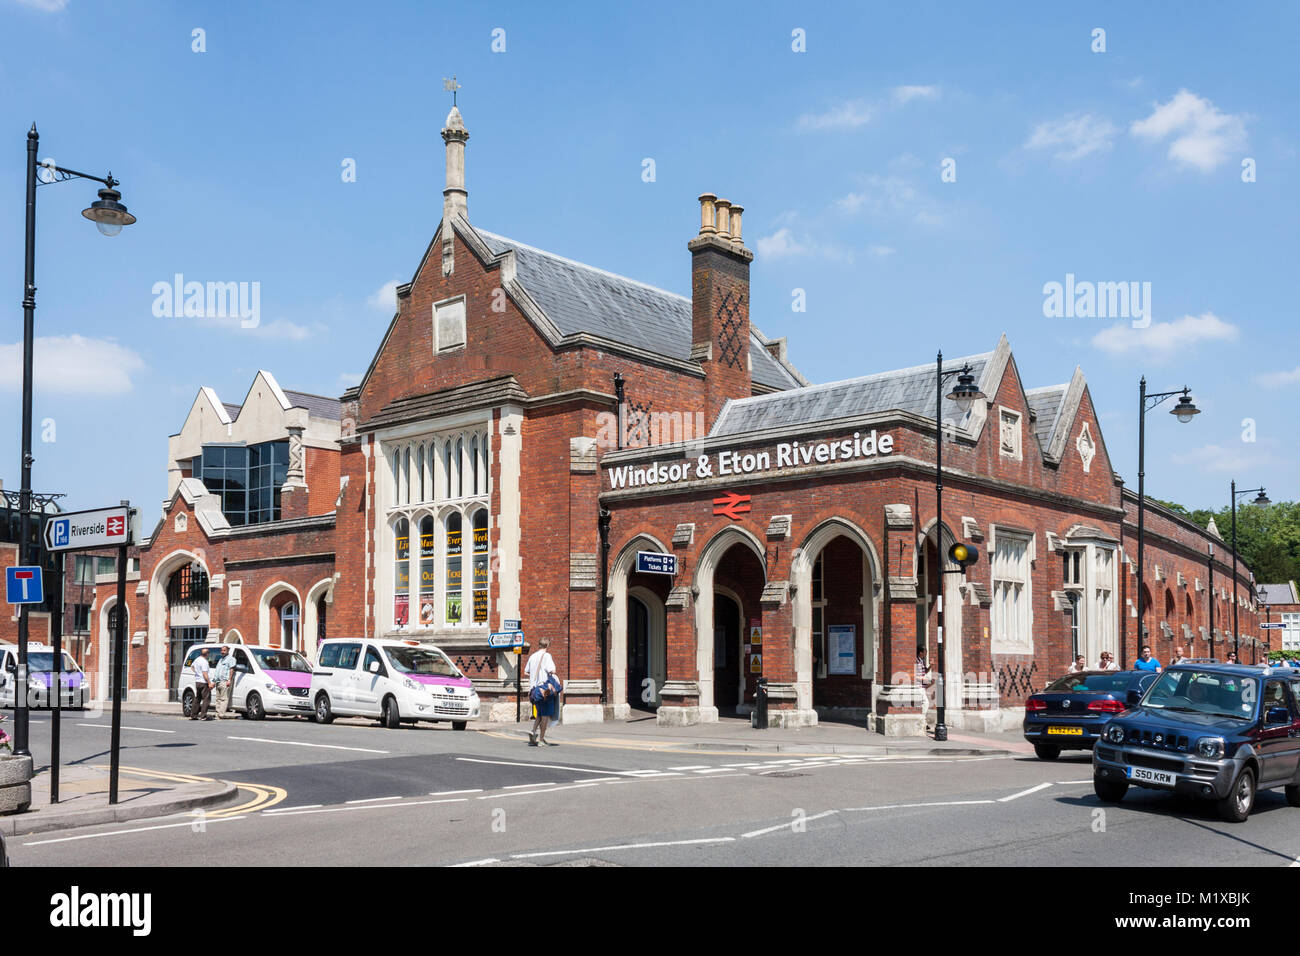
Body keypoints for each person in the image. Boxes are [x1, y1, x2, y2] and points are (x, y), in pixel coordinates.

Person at [526, 636, 561, 747]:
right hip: (544, 690)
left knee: (540, 713)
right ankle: (541, 739)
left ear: (539, 644)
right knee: (545, 715)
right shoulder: (547, 656)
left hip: (534, 691)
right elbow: (552, 670)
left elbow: (526, 672)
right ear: (547, 645)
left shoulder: (532, 657)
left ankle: (533, 731)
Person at [191, 647, 214, 720]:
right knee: (206, 699)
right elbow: (205, 673)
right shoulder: (204, 662)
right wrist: (209, 683)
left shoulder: (197, 659)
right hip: (203, 682)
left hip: (197, 681)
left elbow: (192, 667)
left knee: (197, 698)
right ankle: (203, 716)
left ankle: (193, 715)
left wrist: (197, 673)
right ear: (207, 654)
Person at [212, 645, 235, 719]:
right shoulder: (220, 660)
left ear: (228, 651)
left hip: (225, 681)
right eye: (221, 650)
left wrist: (229, 680)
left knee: (223, 699)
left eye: (224, 650)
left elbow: (232, 669)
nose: (222, 652)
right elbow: (217, 671)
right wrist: (214, 681)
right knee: (217, 699)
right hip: (218, 681)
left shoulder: (231, 659)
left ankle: (221, 714)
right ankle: (217, 714)